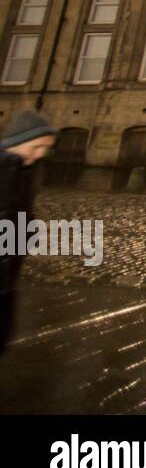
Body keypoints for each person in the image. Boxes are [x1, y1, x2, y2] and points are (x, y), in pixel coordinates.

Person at [1, 111, 57, 354]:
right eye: (36, 146)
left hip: (6, 281)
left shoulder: (26, 171)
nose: (41, 154)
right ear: (17, 142)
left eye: (45, 148)